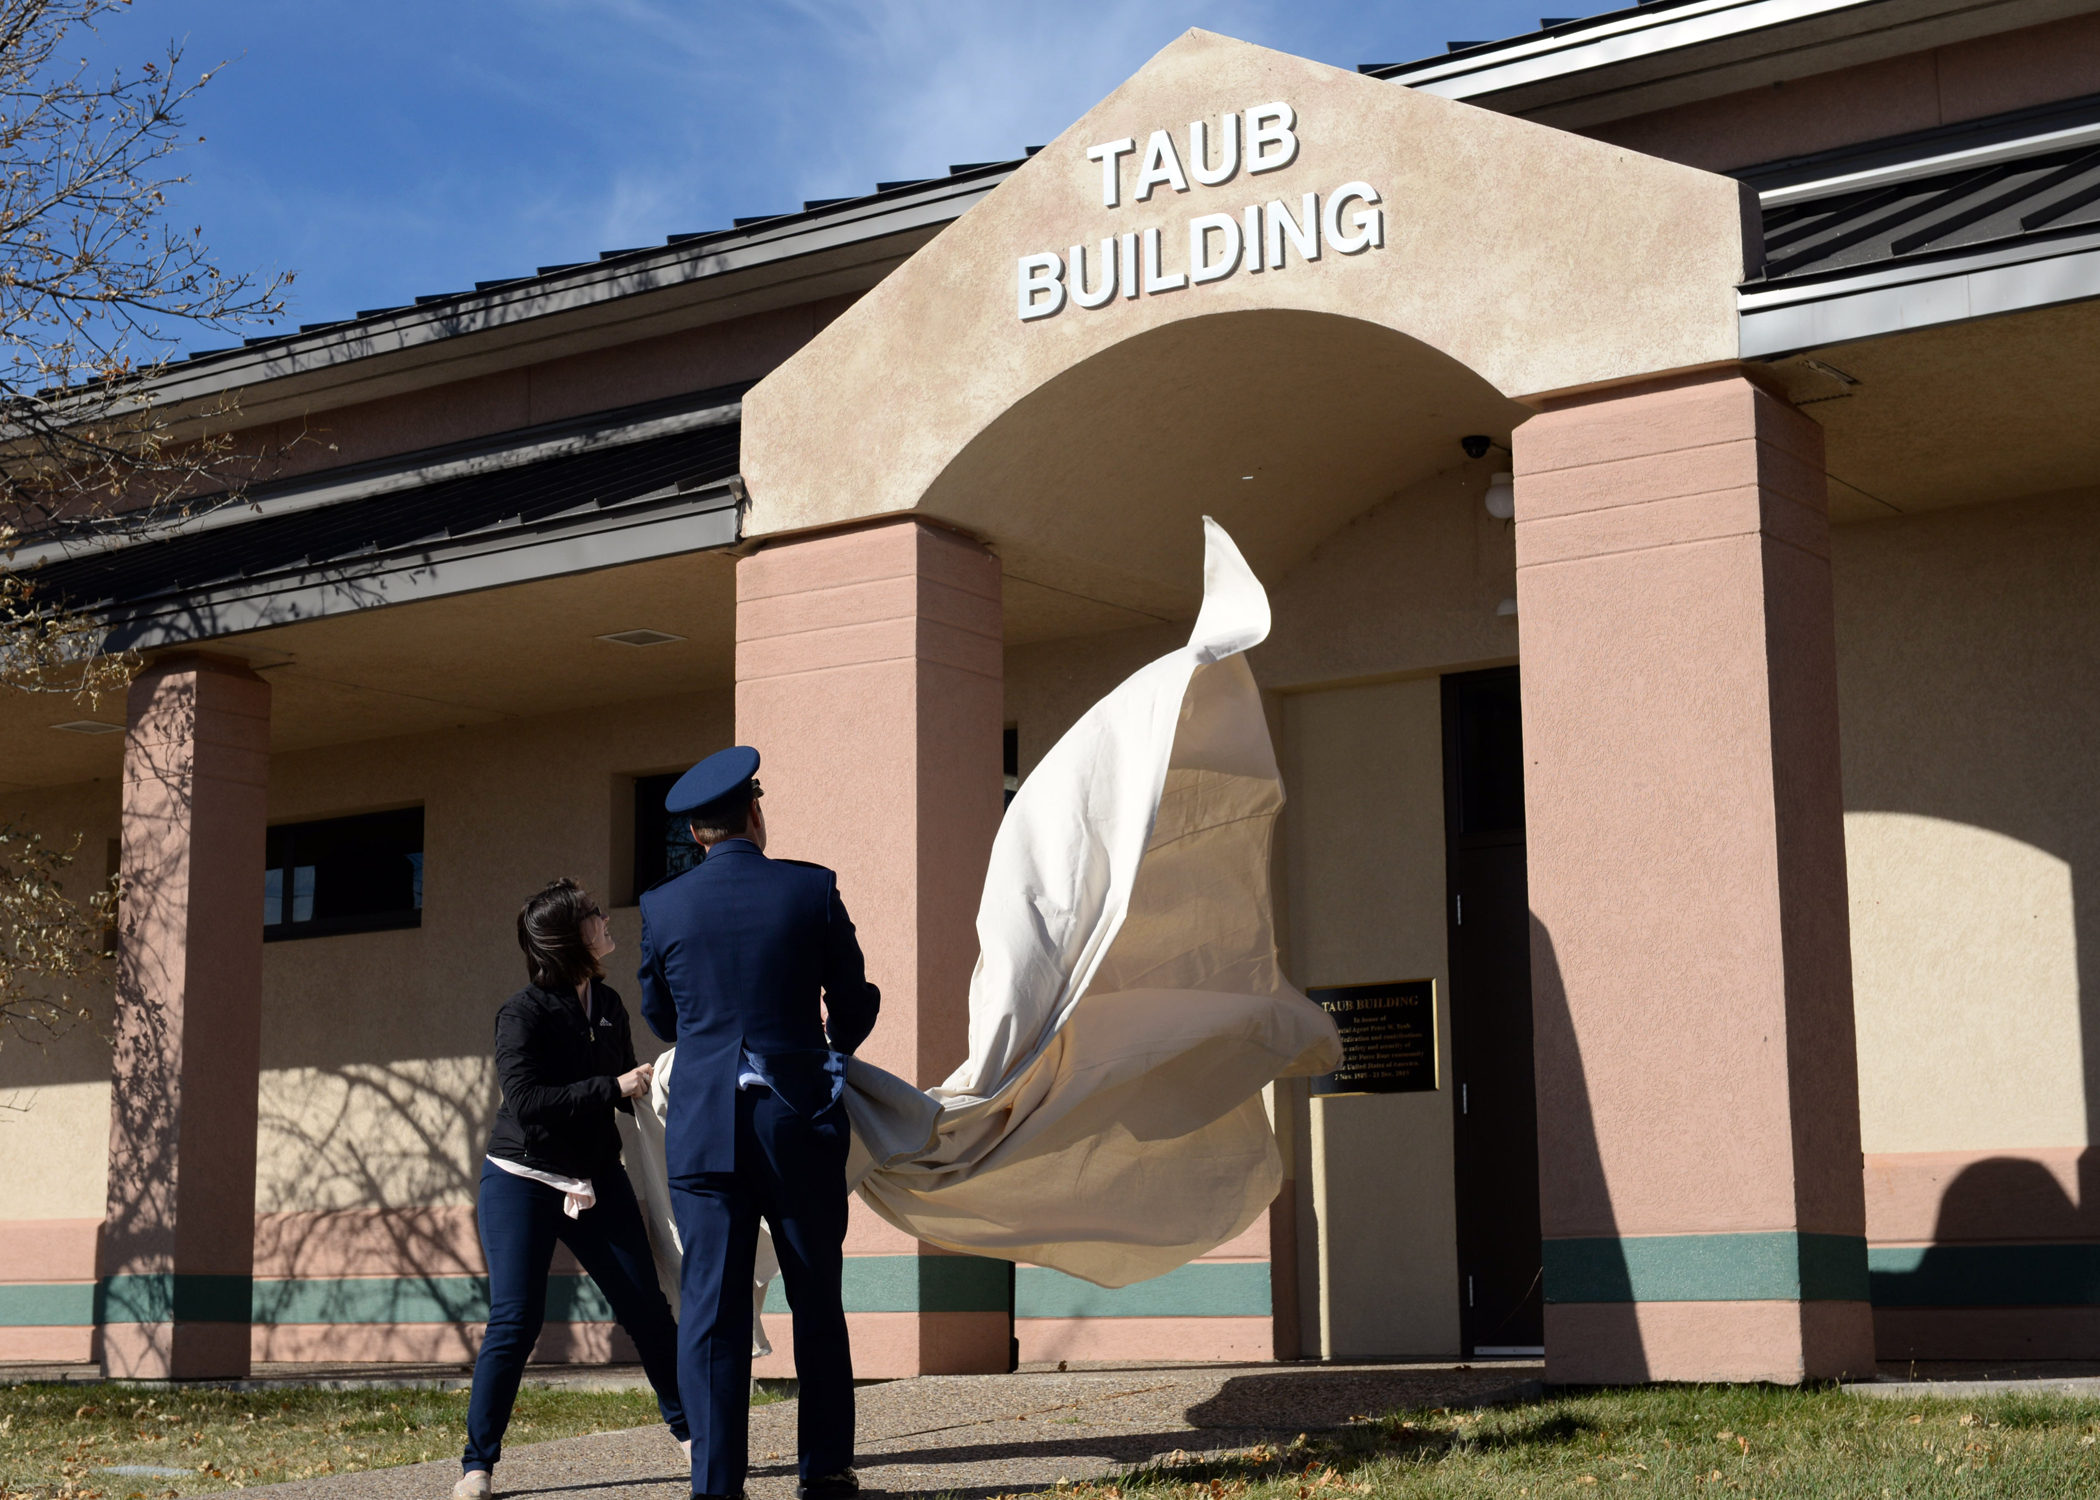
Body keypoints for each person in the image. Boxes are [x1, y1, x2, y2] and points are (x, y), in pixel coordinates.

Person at [639, 745, 880, 1500]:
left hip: (706, 1121)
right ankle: (826, 1472)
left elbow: (658, 1015)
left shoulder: (663, 905)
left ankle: (716, 1484)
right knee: (816, 1293)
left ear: (698, 834)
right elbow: (854, 997)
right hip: (796, 1114)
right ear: (753, 812)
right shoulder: (811, 889)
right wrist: (830, 1050)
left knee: (710, 1307)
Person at [456, 879, 691, 1500]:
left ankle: (693, 1434)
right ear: (569, 937)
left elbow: (628, 1091)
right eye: (593, 914)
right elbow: (529, 1104)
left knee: (646, 1307)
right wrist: (611, 1087)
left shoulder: (609, 1003)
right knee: (516, 1320)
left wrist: (665, 1087)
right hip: (521, 1179)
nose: (605, 917)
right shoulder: (521, 1014)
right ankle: (476, 1466)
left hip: (596, 1175)